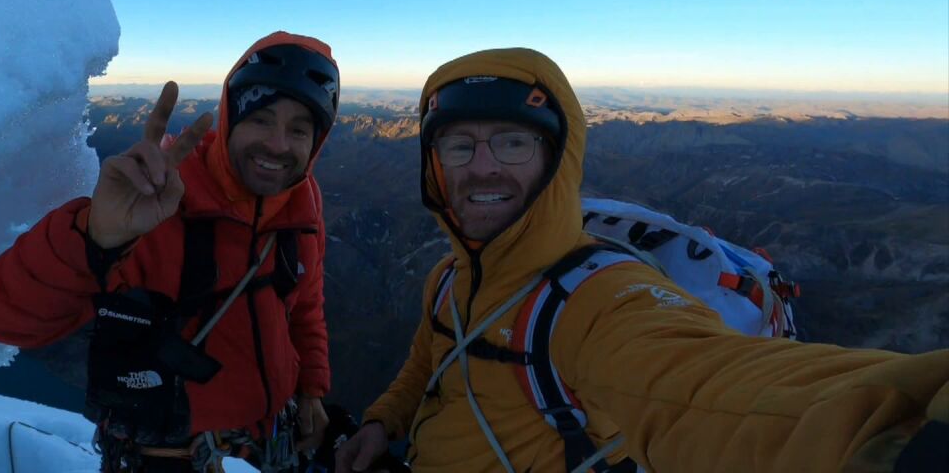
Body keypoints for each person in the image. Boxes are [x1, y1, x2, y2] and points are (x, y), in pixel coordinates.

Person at [336, 47, 949, 473]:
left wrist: (905, 430)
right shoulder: (451, 276)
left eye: (513, 142)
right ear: (434, 166)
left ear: (556, 161)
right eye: (459, 146)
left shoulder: (596, 301)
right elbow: (428, 363)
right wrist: (383, 423)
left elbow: (708, 393)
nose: (483, 167)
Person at [0, 31, 342, 472]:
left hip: (265, 443)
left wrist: (311, 388)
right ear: (231, 118)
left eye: (299, 129)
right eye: (261, 119)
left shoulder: (303, 206)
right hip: (164, 456)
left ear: (316, 142)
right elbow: (0, 317)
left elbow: (304, 305)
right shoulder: (161, 203)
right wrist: (93, 237)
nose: (278, 145)